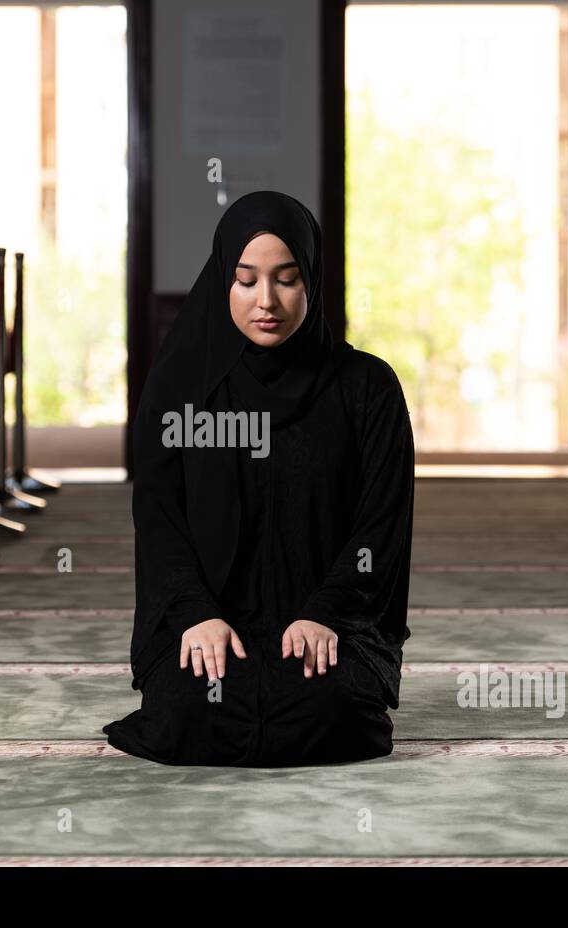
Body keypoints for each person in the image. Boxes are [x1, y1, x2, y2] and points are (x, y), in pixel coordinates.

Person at [102, 189, 414, 767]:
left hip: (326, 623)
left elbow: (381, 528)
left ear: (312, 280)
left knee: (332, 710)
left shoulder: (367, 389)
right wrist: (195, 613)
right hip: (211, 622)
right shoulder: (181, 392)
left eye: (286, 278)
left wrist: (327, 613)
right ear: (224, 279)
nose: (265, 300)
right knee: (189, 709)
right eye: (246, 280)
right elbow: (159, 520)